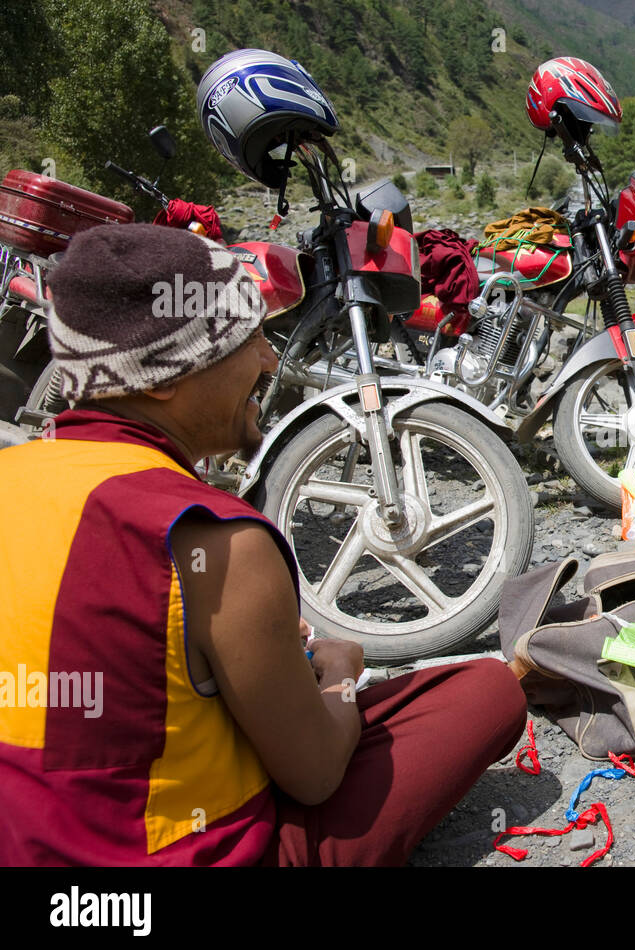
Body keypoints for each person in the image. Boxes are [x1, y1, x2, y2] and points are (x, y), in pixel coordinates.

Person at [0, 224, 527, 865]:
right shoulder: (213, 536)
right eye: (248, 339)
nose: (270, 360)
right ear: (163, 376)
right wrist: (335, 676)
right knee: (486, 692)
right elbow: (315, 775)